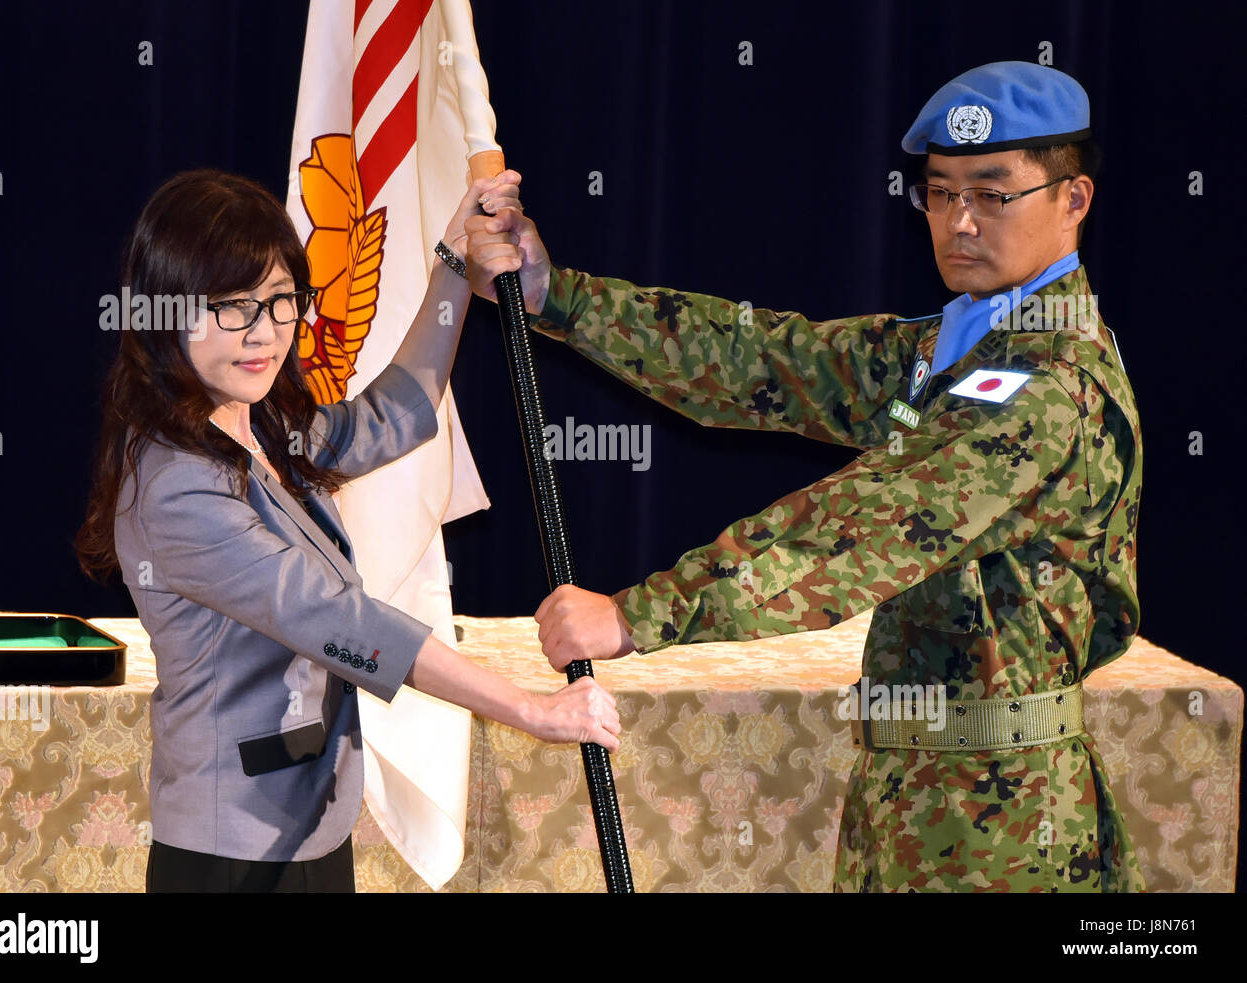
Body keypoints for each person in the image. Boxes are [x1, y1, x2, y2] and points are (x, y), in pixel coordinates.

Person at [464, 62, 1145, 892]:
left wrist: (637, 614)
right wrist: (554, 297)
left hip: (1005, 824)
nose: (960, 221)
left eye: (993, 194)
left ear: (1073, 200)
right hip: (918, 793)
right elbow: (763, 360)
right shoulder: (954, 346)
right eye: (939, 193)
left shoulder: (1047, 385)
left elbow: (864, 526)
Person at [75, 168, 620, 893]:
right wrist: (532, 709)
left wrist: (454, 261)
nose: (265, 333)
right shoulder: (176, 485)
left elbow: (398, 410)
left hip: (314, 825)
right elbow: (341, 622)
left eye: (280, 302)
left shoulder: (263, 426)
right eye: (235, 308)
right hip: (230, 853)